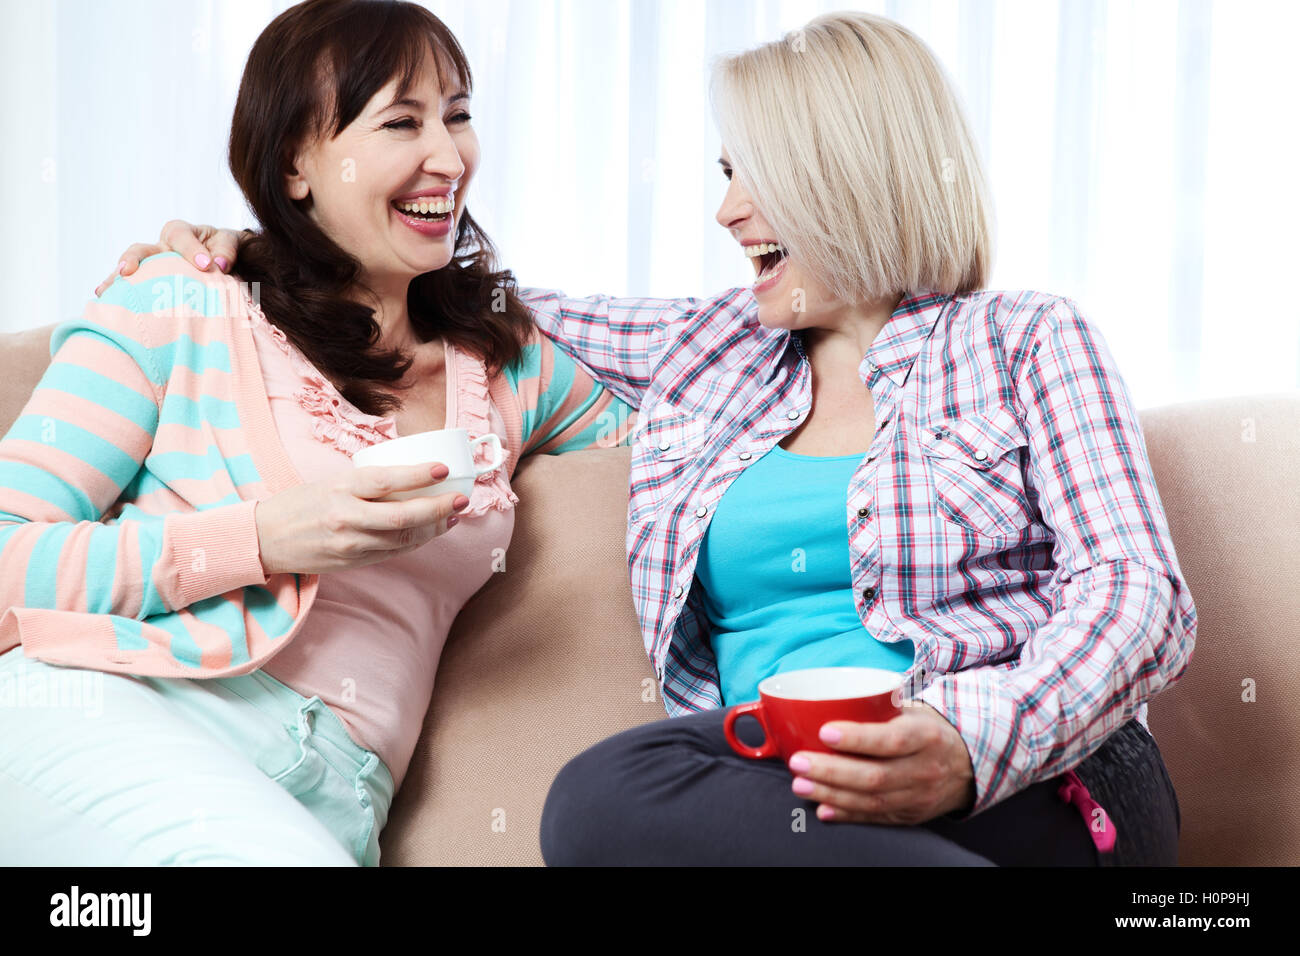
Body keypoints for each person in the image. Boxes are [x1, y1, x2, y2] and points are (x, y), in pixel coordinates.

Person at [100, 11, 1194, 866]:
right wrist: (266, 249)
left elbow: (1137, 590)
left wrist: (964, 743)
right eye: (724, 175)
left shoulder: (1023, 338)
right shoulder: (708, 353)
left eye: (752, 175)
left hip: (1034, 782)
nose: (726, 213)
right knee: (603, 795)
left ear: (850, 175)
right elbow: (470, 296)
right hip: (779, 791)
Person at [0, 0, 635, 866]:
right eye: (401, 122)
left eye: (458, 115)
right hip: (115, 707)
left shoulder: (507, 363)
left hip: (330, 794)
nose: (449, 158)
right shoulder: (180, 304)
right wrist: (262, 538)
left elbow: (693, 413)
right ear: (297, 160)